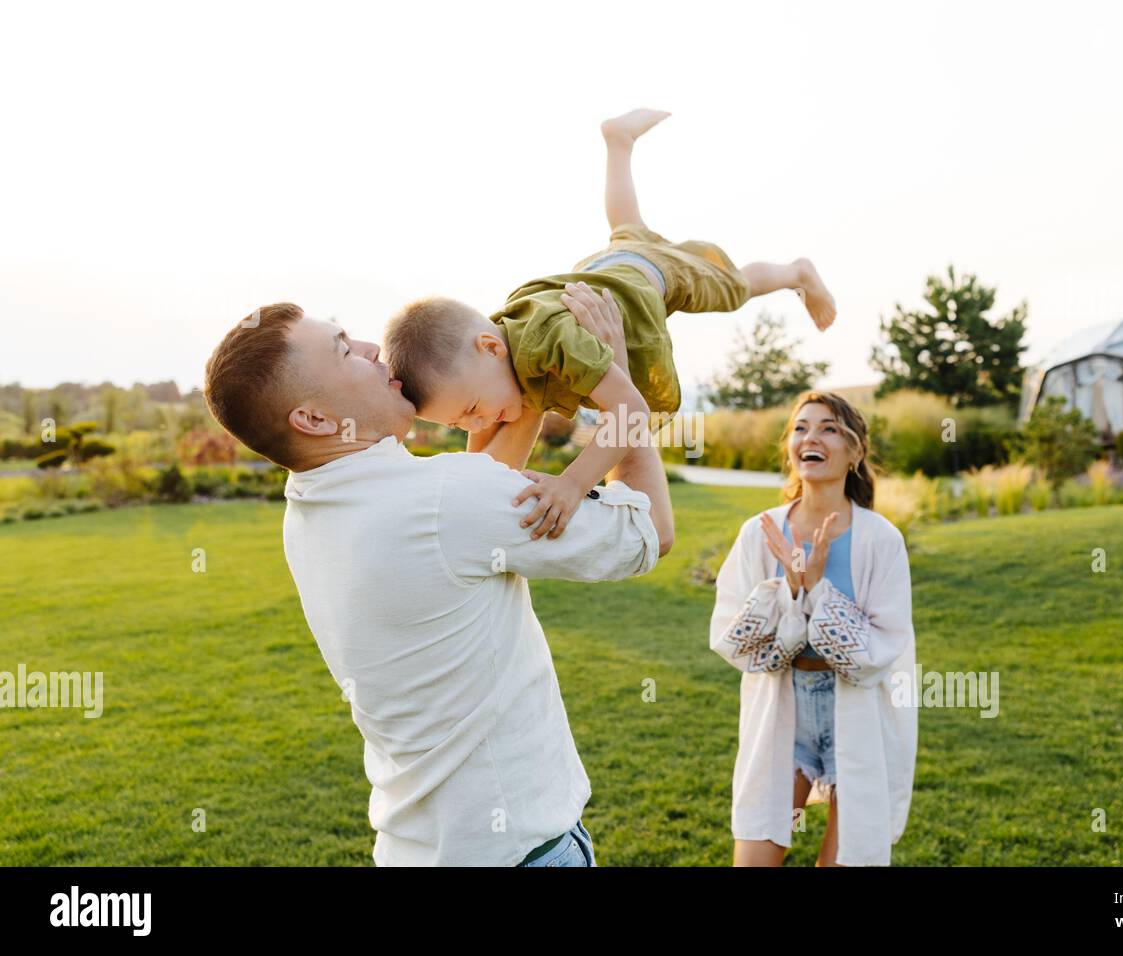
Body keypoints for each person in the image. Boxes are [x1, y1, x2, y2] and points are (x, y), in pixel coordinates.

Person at [202, 283, 670, 866]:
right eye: (344, 350)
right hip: (518, 852)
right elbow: (650, 534)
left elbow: (482, 493)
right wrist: (616, 374)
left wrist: (520, 375)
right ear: (314, 418)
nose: (373, 350)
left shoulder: (309, 510)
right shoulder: (446, 500)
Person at [382, 108, 837, 541]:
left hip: (655, 275)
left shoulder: (548, 342)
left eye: (473, 408)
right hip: (607, 269)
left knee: (735, 286)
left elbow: (630, 410)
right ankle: (618, 142)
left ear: (490, 346)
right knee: (625, 226)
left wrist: (572, 483)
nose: (479, 422)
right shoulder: (489, 360)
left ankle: (796, 272)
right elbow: (484, 468)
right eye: (462, 421)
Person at [709, 392, 918, 866]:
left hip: (858, 717)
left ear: (855, 451)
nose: (811, 438)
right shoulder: (759, 533)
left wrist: (818, 589)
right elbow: (735, 642)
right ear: (790, 447)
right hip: (782, 711)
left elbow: (875, 655)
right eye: (801, 428)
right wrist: (789, 587)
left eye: (829, 428)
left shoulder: (881, 540)